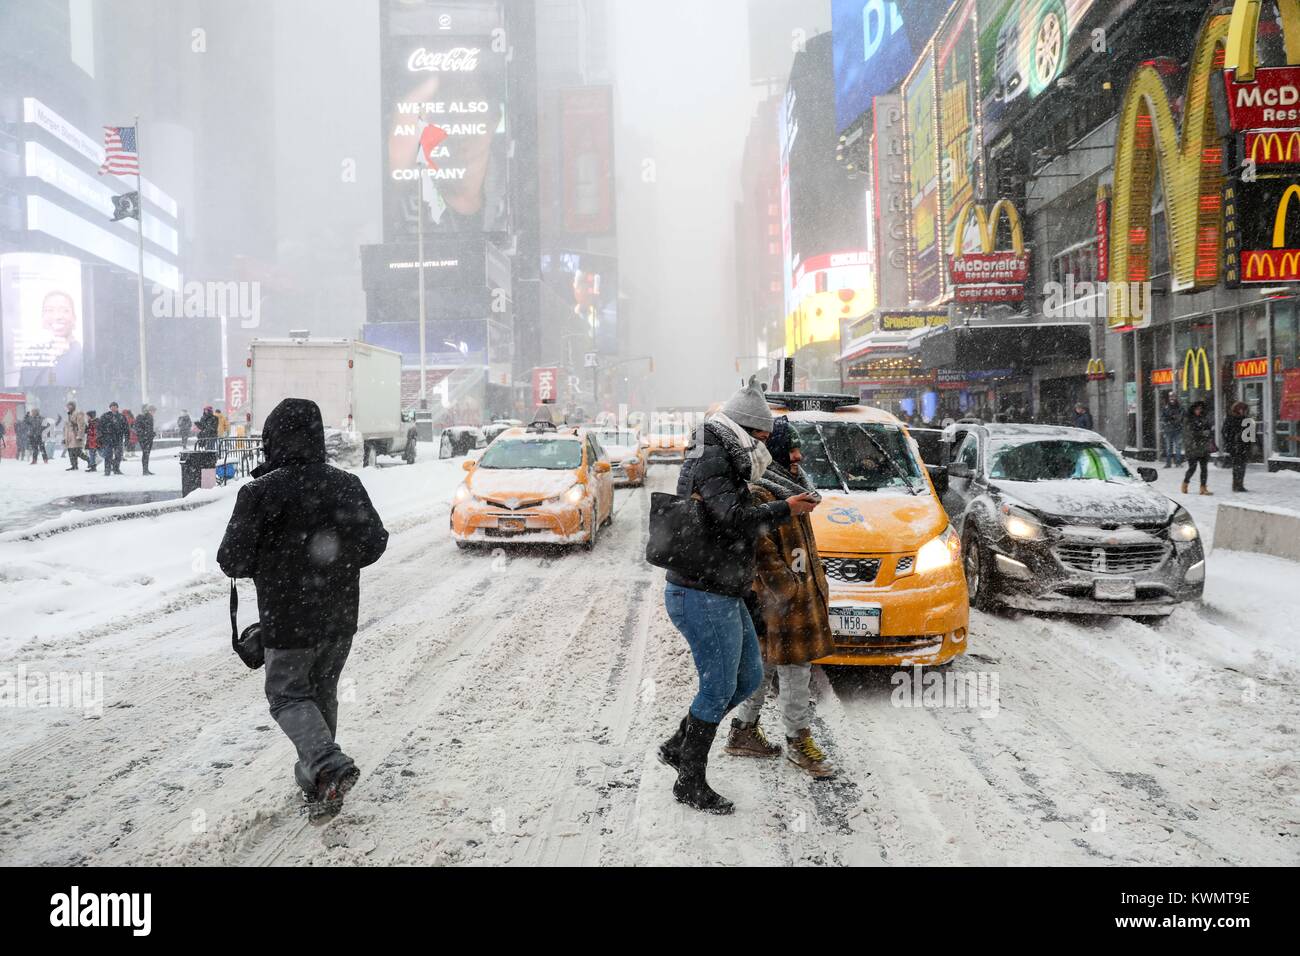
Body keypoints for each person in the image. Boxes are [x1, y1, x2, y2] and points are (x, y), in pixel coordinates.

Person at [218, 398, 389, 822]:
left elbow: (231, 559)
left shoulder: (259, 491)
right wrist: (336, 562)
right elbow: (375, 542)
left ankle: (327, 764)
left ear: (272, 440)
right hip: (339, 618)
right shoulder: (346, 483)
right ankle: (321, 780)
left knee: (287, 695)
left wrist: (274, 564)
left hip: (287, 619)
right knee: (321, 691)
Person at [659, 377, 819, 814]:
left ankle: (679, 743)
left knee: (747, 679)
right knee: (717, 688)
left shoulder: (729, 455)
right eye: (763, 436)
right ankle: (689, 780)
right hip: (701, 590)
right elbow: (729, 517)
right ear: (746, 430)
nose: (767, 445)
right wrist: (786, 508)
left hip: (725, 587)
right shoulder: (714, 455)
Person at [726, 417, 836, 778]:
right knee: (794, 672)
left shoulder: (788, 486)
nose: (798, 455)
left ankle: (743, 731)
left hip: (788, 602)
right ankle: (798, 740)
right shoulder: (762, 492)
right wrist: (788, 588)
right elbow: (761, 551)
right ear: (771, 451)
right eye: (790, 448)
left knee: (766, 667)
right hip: (780, 606)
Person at [1181, 400, 1214, 496]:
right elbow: (1189, 434)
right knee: (1193, 468)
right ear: (1193, 409)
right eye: (1197, 409)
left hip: (1203, 447)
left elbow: (1209, 429)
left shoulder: (1204, 418)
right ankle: (1185, 483)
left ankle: (1203, 488)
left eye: (1201, 409)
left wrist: (1208, 432)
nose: (1199, 410)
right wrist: (1202, 433)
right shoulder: (1188, 419)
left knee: (1204, 468)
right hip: (1193, 447)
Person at [1223, 400, 1251, 493]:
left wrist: (1249, 443)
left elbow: (1249, 433)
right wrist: (1230, 441)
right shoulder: (1230, 418)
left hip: (1243, 446)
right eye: (1242, 409)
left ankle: (1240, 484)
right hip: (1234, 446)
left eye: (1244, 410)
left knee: (1242, 466)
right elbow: (1224, 432)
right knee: (1237, 466)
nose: (1243, 411)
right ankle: (1236, 485)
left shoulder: (1245, 419)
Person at [99, 402, 127, 476]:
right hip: (108, 438)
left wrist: (127, 438)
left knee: (119, 455)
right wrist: (101, 437)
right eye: (112, 406)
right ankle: (107, 470)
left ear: (117, 407)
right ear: (110, 407)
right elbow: (100, 427)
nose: (114, 408)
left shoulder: (121, 417)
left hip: (118, 438)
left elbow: (126, 428)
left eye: (115, 406)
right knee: (108, 455)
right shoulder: (105, 416)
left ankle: (116, 468)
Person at [1160, 392, 1184, 468]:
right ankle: (1168, 463)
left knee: (1178, 447)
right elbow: (1162, 418)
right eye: (1170, 397)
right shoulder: (1166, 407)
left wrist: (1178, 420)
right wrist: (1169, 419)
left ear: (1176, 397)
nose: (1172, 398)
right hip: (1168, 430)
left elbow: (1183, 417)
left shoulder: (1179, 407)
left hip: (1177, 429)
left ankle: (1178, 463)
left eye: (1173, 397)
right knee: (1169, 447)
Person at [63, 402, 87, 471]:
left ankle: (89, 461)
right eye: (68, 406)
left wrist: (80, 435)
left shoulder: (78, 413)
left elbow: (81, 425)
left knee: (77, 452)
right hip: (69, 436)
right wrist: (64, 438)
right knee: (70, 450)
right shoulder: (69, 414)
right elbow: (66, 427)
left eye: (70, 406)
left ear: (73, 406)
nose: (69, 407)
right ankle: (74, 465)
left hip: (75, 435)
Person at [136, 405, 156, 476]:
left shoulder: (149, 417)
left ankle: (146, 469)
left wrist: (152, 434)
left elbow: (149, 428)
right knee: (145, 454)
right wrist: (144, 435)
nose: (153, 412)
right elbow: (139, 428)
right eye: (152, 411)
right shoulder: (142, 417)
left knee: (146, 454)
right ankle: (145, 470)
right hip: (144, 438)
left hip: (148, 438)